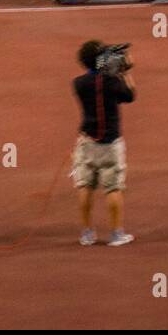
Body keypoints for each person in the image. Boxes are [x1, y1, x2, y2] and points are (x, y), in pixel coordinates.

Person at [71, 40, 137, 247]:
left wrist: (106, 67)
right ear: (102, 60)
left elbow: (95, 81)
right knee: (113, 188)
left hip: (87, 142)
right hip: (111, 143)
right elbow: (130, 95)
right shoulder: (113, 83)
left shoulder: (78, 84)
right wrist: (124, 71)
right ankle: (116, 234)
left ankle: (87, 233)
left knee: (85, 185)